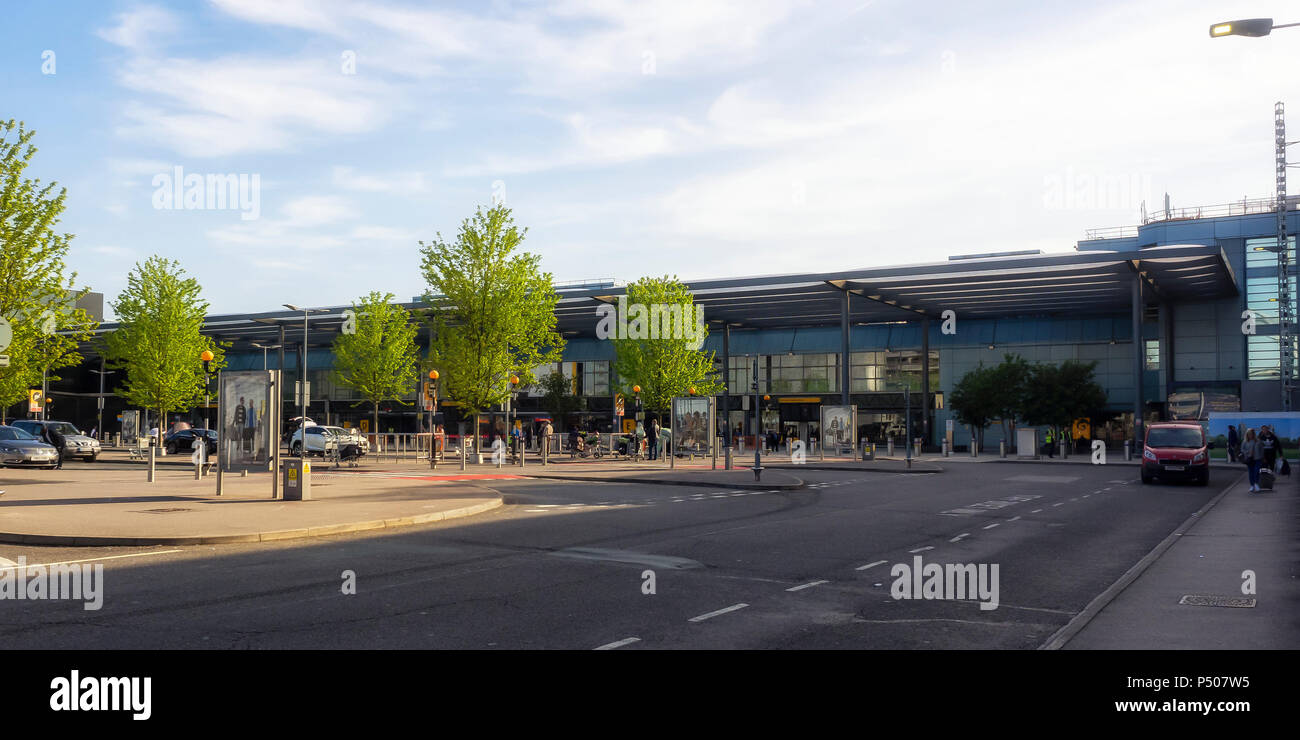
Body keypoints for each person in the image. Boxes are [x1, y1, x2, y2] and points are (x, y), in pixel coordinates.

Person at [1241, 427, 1264, 492]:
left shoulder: (1258, 441)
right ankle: (1252, 485)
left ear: (1254, 434)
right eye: (1249, 434)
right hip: (1249, 459)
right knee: (1251, 472)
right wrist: (1248, 452)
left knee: (1256, 471)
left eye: (1251, 434)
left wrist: (1262, 457)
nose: (1250, 435)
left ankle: (1256, 484)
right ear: (1247, 435)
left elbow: (1262, 450)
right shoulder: (1245, 442)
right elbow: (1242, 449)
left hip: (1257, 459)